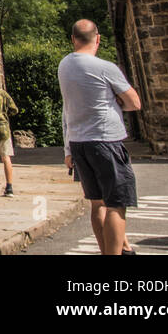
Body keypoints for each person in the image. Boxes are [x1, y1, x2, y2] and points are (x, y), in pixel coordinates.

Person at [58, 19, 142, 256]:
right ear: (98, 38)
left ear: (73, 39)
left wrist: (67, 150)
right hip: (106, 140)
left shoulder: (64, 65)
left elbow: (68, 107)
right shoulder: (105, 68)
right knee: (117, 203)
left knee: (97, 203)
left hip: (78, 143)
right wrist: (116, 100)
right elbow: (134, 102)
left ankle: (109, 249)